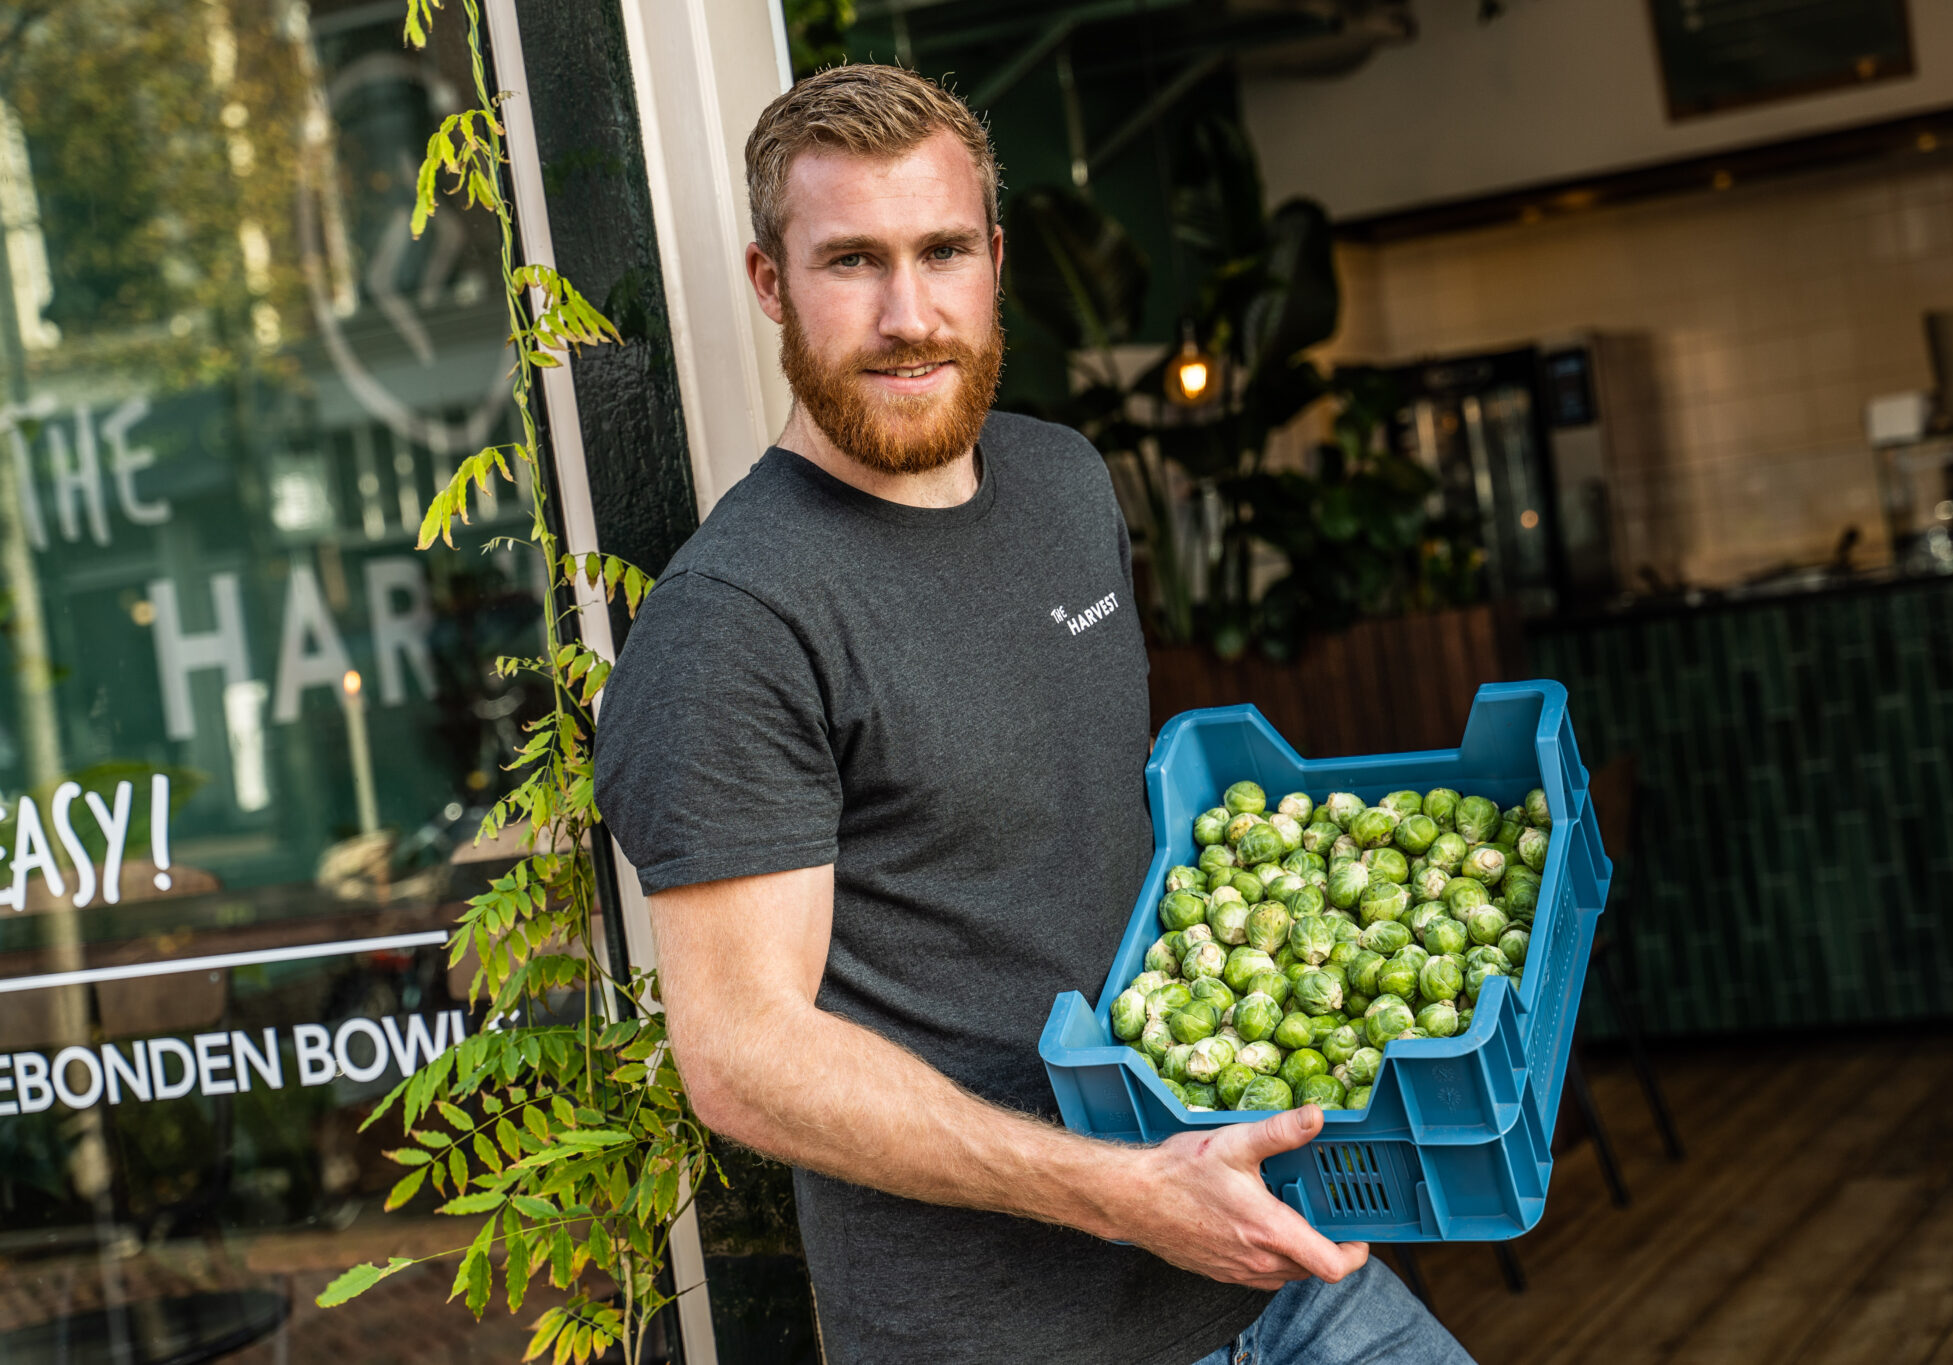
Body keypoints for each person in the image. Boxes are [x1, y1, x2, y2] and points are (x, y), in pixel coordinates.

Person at [592, 63, 1474, 1365]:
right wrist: (1124, 1195)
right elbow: (743, 1054)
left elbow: (1081, 849)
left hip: (1268, 1262)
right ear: (772, 285)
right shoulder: (736, 617)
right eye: (853, 262)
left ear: (995, 257)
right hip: (1007, 1336)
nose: (909, 313)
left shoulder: (1066, 484)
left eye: (942, 249)